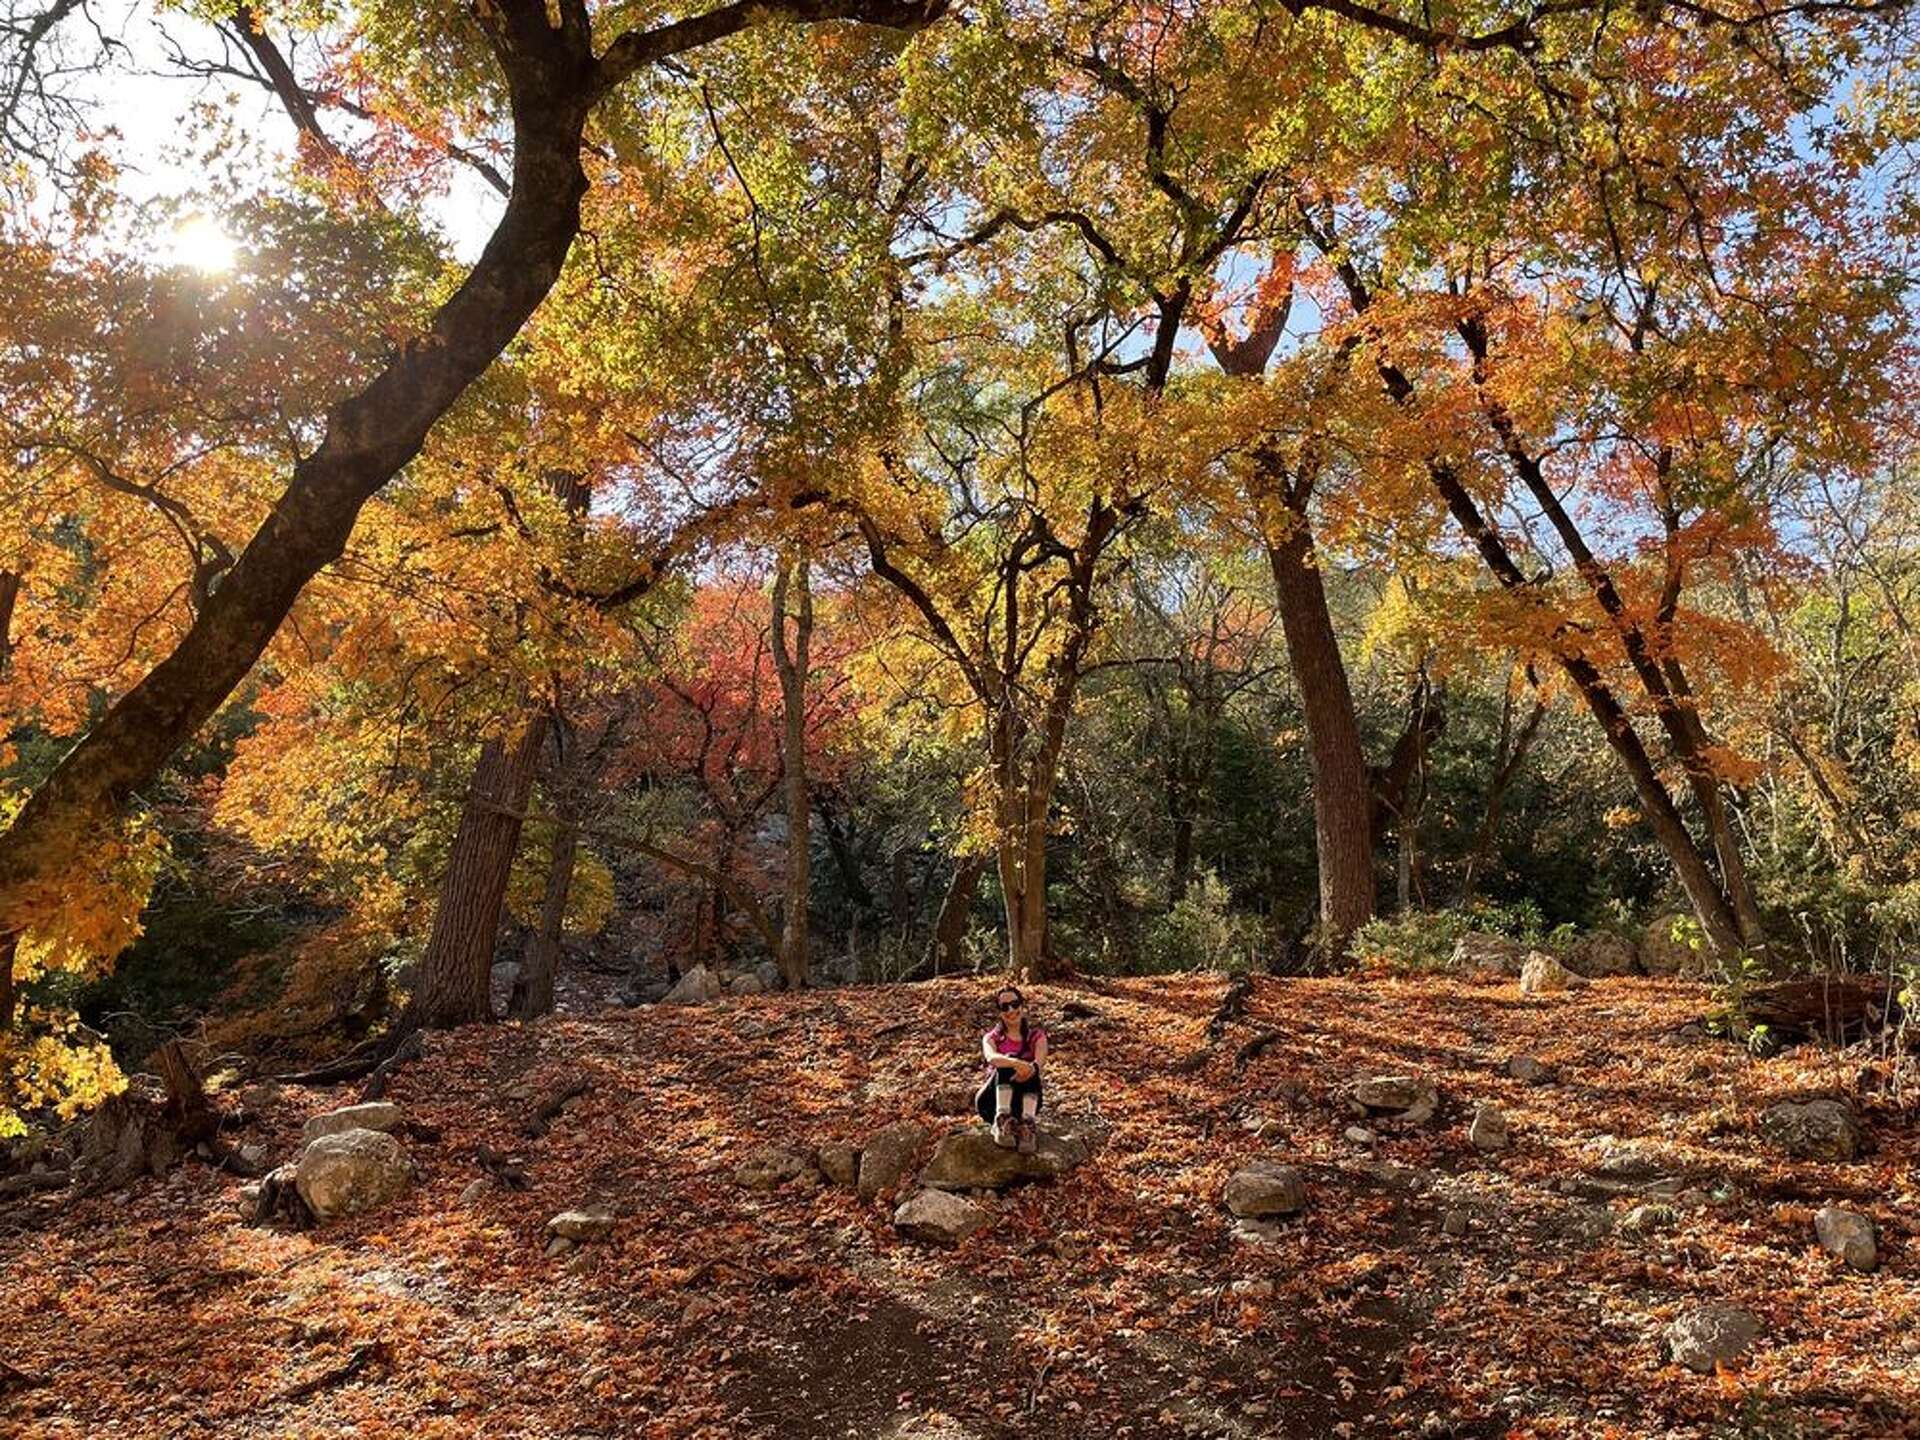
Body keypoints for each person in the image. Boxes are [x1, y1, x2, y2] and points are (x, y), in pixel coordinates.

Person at [975, 985, 1047, 1154]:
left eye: (1015, 1004)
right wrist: (1015, 1063)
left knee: (1032, 1069)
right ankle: (1002, 1121)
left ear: (1022, 1005)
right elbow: (992, 1058)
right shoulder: (991, 1037)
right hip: (991, 1101)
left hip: (1024, 1100)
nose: (1011, 1010)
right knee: (1007, 1060)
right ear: (999, 1012)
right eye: (1004, 1007)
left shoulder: (1037, 1037)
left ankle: (1027, 1127)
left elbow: (1039, 1062)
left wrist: (1027, 1068)